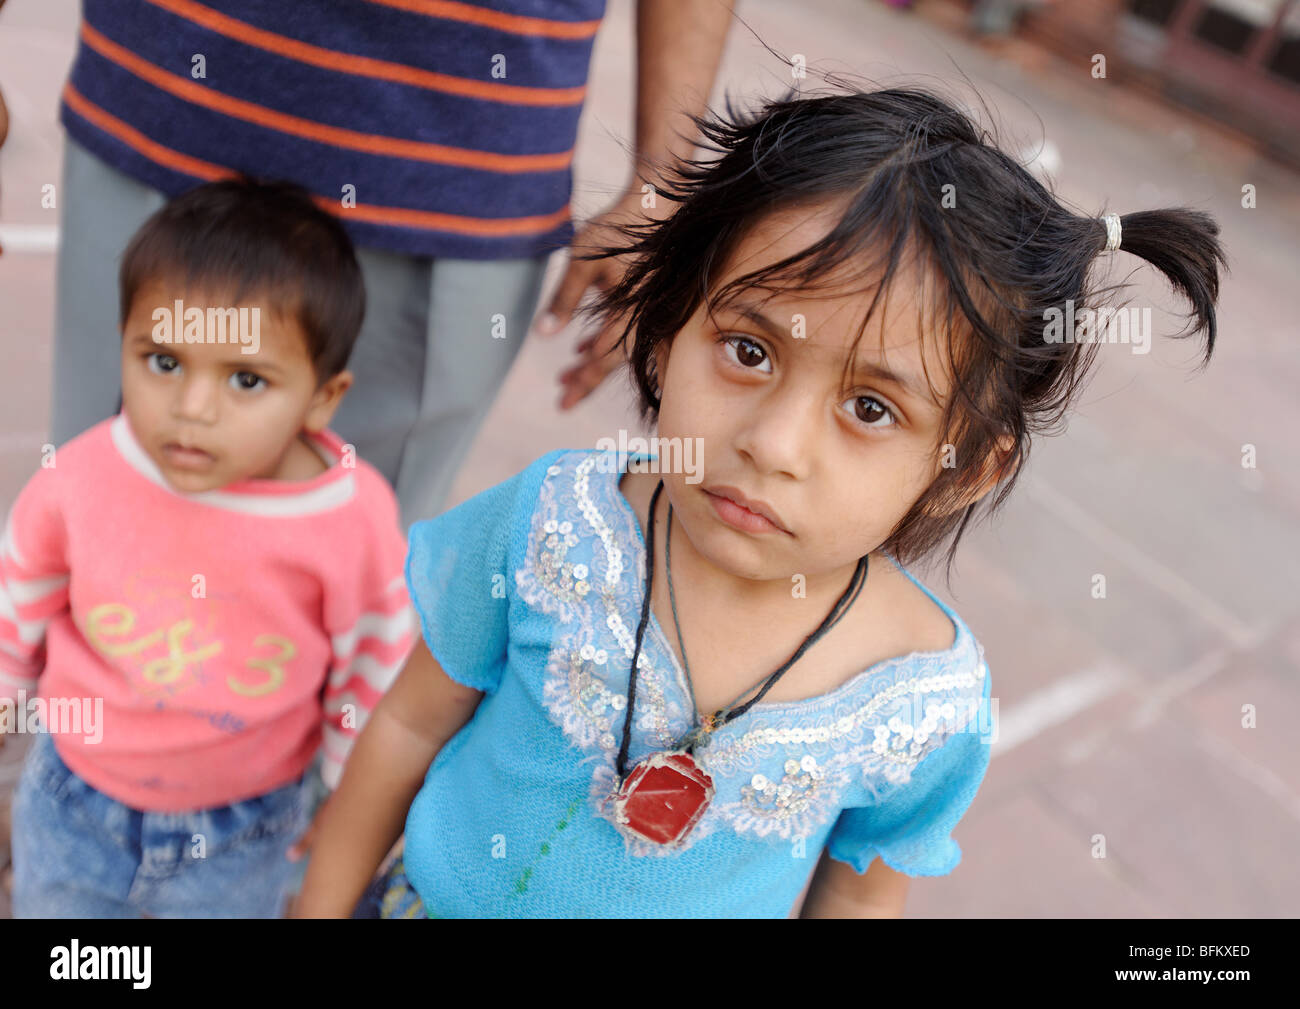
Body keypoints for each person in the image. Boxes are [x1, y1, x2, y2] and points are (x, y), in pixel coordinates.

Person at [292, 85, 1226, 918]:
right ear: (667, 321)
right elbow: (412, 722)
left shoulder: (921, 701)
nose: (772, 443)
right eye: (748, 350)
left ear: (968, 462)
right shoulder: (549, 523)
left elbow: (860, 888)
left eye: (870, 408)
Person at [49, 0, 733, 528]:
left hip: (458, 156)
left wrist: (659, 188)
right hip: (163, 85)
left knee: (360, 573)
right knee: (91, 522)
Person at [0, 178, 414, 917]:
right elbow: (18, 593)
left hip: (243, 827)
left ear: (323, 396)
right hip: (74, 796)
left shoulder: (351, 518)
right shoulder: (84, 475)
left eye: (246, 379)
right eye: (162, 362)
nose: (192, 409)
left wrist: (351, 795)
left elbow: (374, 668)